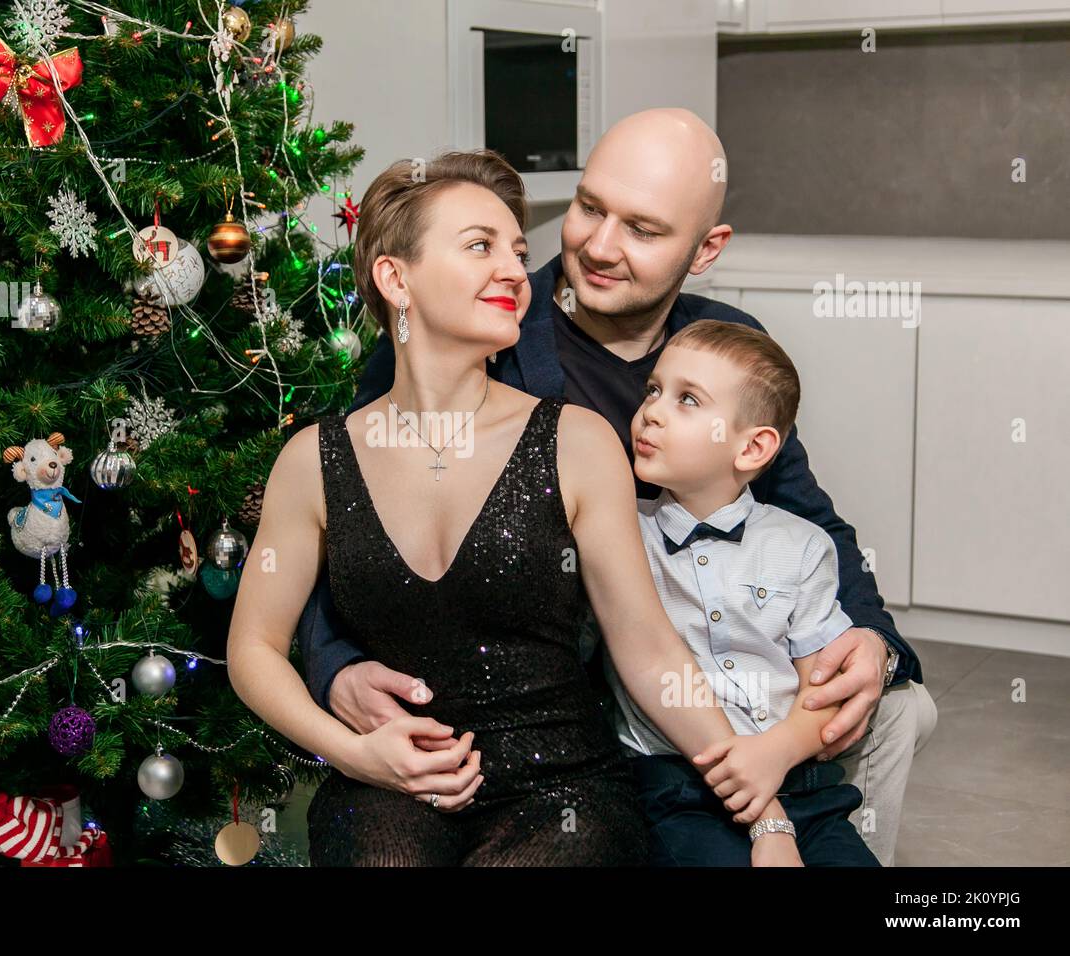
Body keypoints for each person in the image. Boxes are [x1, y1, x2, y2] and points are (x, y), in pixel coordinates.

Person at [298, 107, 936, 866]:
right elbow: (345, 516)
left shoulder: (728, 345)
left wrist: (873, 642)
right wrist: (333, 664)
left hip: (692, 651)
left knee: (898, 707)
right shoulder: (472, 325)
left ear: (706, 250)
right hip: (553, 688)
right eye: (589, 208)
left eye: (643, 229)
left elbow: (806, 519)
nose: (598, 247)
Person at [227, 150, 802, 866]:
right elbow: (251, 649)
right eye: (480, 246)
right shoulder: (313, 461)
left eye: (518, 250)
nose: (514, 272)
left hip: (562, 787)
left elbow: (651, 652)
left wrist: (767, 816)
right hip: (390, 781)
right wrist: (357, 755)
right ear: (394, 277)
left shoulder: (579, 443)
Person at [598, 318, 879, 865]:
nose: (651, 411)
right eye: (653, 390)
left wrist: (776, 752)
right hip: (675, 786)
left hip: (797, 781)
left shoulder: (801, 546)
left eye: (687, 400)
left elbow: (821, 685)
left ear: (752, 449)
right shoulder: (622, 532)